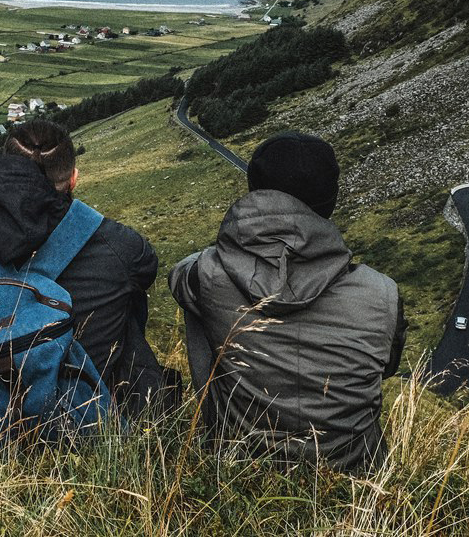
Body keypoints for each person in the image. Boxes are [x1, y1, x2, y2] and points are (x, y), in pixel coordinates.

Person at [170, 131, 406, 473]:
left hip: (239, 468)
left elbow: (178, 277)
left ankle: (217, 437)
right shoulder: (382, 292)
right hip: (354, 480)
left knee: (199, 307)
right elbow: (388, 368)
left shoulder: (206, 273)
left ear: (256, 192)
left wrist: (237, 246)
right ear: (331, 201)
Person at [0, 119, 174, 427]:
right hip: (86, 424)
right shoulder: (123, 248)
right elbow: (146, 273)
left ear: (5, 172)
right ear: (73, 179)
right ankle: (134, 419)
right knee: (129, 307)